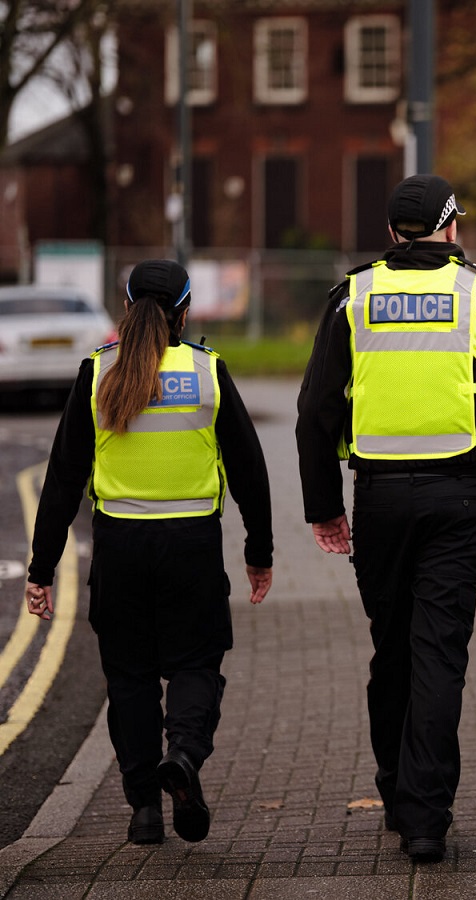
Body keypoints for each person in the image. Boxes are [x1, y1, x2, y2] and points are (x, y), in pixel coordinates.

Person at [296, 174, 476, 863]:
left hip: (378, 501)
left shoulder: (353, 294)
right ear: (451, 228)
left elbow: (316, 410)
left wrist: (323, 508)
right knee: (439, 652)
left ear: (391, 233)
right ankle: (427, 816)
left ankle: (394, 786)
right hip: (459, 498)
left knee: (394, 647)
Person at [24, 259, 274, 846]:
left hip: (122, 548)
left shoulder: (98, 373)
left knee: (129, 678)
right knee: (196, 664)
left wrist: (41, 569)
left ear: (128, 305)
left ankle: (143, 810)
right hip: (192, 545)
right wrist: (258, 551)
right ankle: (183, 756)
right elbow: (250, 471)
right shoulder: (207, 371)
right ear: (185, 311)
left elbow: (62, 479)